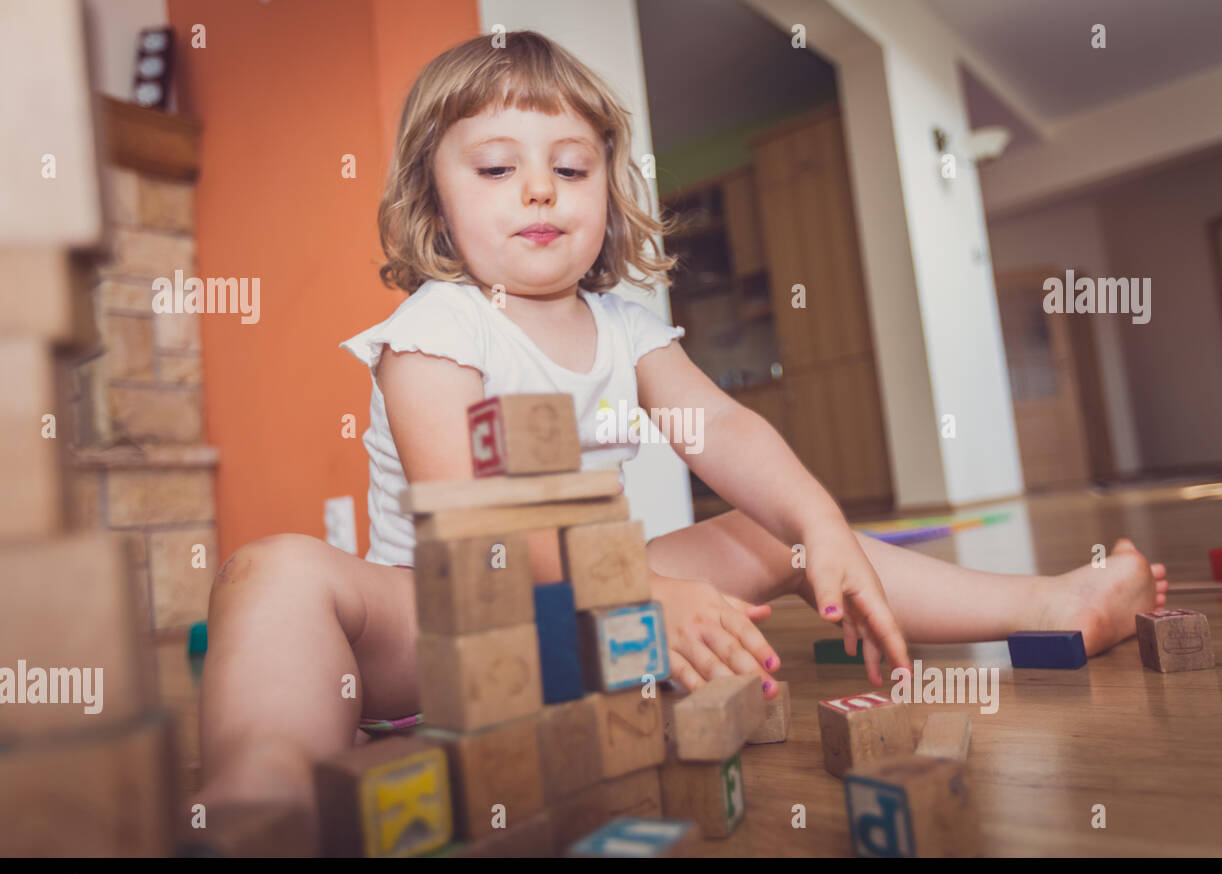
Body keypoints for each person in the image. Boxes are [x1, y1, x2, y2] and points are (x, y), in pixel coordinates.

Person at [197, 30, 1166, 817]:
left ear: (607, 193)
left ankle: (1046, 608)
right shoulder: (434, 329)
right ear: (436, 206)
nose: (539, 189)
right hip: (441, 632)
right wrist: (640, 598)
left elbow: (723, 430)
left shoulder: (626, 328)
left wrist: (819, 524)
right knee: (273, 571)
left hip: (584, 627)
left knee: (765, 530)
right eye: (496, 167)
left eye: (569, 168)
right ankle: (266, 792)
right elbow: (475, 510)